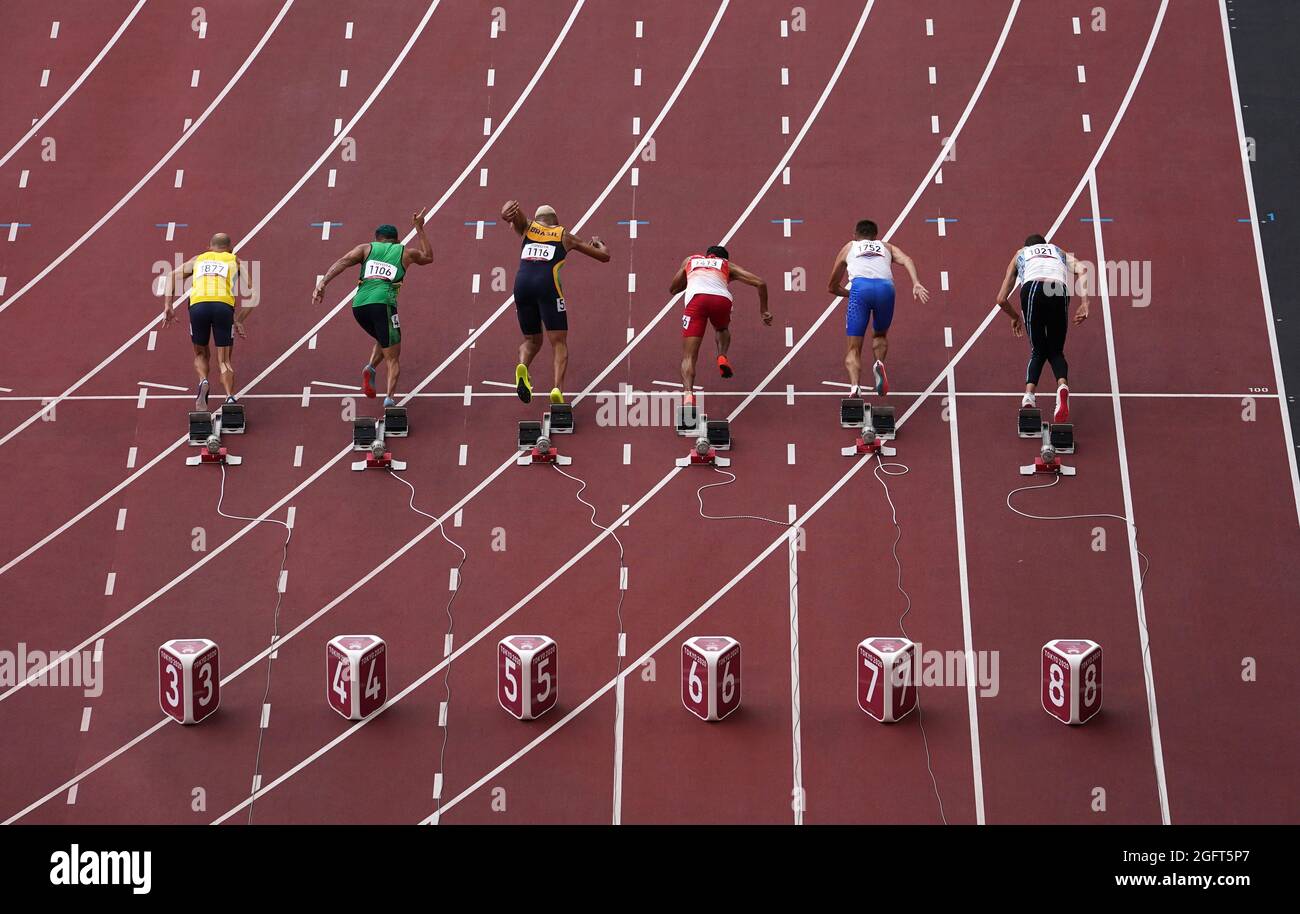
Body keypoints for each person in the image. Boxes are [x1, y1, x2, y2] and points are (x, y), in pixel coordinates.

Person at [312, 210, 433, 408]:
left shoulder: (366, 249)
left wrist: (323, 283)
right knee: (393, 355)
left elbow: (342, 262)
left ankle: (371, 367)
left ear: (377, 239)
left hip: (359, 307)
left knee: (382, 337)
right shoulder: (404, 252)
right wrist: (419, 228)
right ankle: (390, 399)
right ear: (396, 239)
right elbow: (428, 257)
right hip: (383, 303)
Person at [500, 200, 610, 404]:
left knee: (531, 341)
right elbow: (604, 257)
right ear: (555, 220)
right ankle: (557, 389)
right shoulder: (564, 235)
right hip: (547, 286)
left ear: (538, 219)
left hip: (521, 285)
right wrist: (600, 244)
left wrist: (507, 212)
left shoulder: (528, 227)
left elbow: (512, 214)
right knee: (559, 342)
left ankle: (523, 365)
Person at [993, 233, 1090, 423]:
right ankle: (1062, 387)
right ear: (1045, 245)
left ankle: (1029, 397)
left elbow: (1001, 299)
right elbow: (1083, 268)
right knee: (1056, 350)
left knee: (1038, 350)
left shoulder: (1021, 253)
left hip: (1033, 289)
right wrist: (1085, 302)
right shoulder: (1058, 251)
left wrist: (1015, 317)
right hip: (1058, 289)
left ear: (1027, 246)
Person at [827, 219, 929, 398]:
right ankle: (879, 364)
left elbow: (832, 286)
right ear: (876, 236)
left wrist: (850, 294)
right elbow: (907, 259)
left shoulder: (850, 246)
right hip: (886, 289)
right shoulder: (886, 246)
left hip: (860, 289)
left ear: (855, 235)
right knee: (880, 335)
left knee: (853, 348)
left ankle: (855, 387)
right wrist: (916, 282)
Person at [668, 245, 771, 406]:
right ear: (724, 258)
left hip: (696, 301)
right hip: (721, 300)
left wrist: (688, 275)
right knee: (722, 328)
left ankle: (688, 394)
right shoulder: (727, 265)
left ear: (707, 255)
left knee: (689, 356)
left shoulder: (691, 260)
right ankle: (722, 355)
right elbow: (760, 283)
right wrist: (764, 311)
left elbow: (674, 288)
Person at [161, 232, 252, 411]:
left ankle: (203, 380)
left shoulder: (198, 259)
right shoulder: (236, 260)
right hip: (223, 306)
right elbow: (252, 293)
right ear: (231, 249)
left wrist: (168, 305)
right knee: (224, 360)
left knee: (201, 354)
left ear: (208, 247)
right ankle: (229, 398)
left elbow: (171, 275)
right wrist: (240, 319)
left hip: (198, 305)